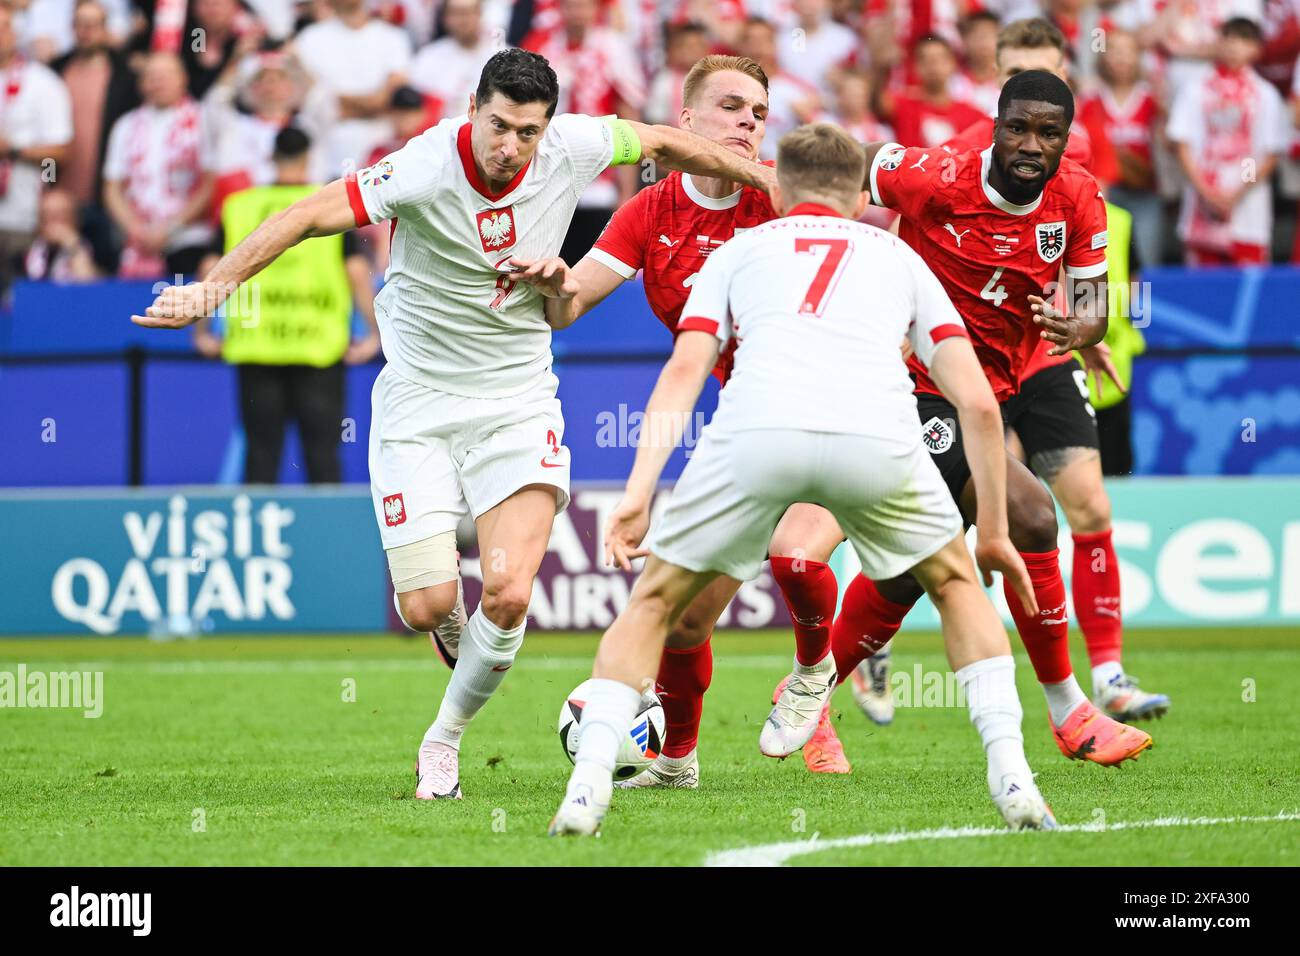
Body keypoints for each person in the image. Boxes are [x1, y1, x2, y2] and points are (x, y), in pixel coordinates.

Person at [132, 48, 778, 801]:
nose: (512, 148)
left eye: (528, 133)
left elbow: (665, 142)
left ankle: (443, 740)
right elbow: (308, 214)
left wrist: (765, 176)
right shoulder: (420, 166)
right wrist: (212, 292)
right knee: (429, 605)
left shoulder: (575, 144)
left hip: (516, 399)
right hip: (418, 403)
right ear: (474, 107)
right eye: (500, 127)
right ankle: (445, 624)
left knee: (507, 594)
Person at [549, 122, 1054, 838]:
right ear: (858, 197)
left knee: (655, 602)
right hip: (876, 435)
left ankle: (586, 789)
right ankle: (1013, 780)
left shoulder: (741, 250)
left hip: (759, 435)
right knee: (955, 586)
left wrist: (637, 494)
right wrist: (994, 533)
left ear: (777, 188)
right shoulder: (900, 256)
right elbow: (974, 400)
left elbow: (686, 370)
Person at [854, 17, 1168, 729]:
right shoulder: (949, 161)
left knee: (1082, 503)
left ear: (1063, 73)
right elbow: (848, 172)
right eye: (1019, 123)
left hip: (1043, 356)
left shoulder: (1076, 168)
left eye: (1049, 129)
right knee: (951, 527)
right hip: (949, 372)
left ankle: (1104, 679)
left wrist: (1082, 330)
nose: (1034, 143)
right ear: (997, 88)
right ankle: (840, 660)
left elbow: (1091, 292)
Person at [553, 54, 853, 783]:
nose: (748, 121)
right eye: (730, 107)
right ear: (684, 122)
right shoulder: (651, 212)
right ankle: (677, 760)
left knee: (799, 556)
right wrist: (544, 279)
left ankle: (814, 681)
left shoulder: (789, 198)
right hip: (746, 425)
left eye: (757, 111)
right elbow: (569, 304)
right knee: (684, 617)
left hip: (840, 409)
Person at [191, 127, 379, 484]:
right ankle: (327, 539)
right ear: (308, 157)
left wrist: (203, 332)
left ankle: (259, 539)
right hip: (318, 348)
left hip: (256, 347)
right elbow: (355, 269)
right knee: (323, 457)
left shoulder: (240, 206)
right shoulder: (326, 202)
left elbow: (208, 269)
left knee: (260, 458)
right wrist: (371, 333)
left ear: (271, 158)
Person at [1168, 16, 1287, 267]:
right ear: (1218, 42)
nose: (1234, 47)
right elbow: (1182, 144)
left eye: (1244, 41)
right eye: (1229, 39)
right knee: (1201, 293)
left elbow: (1271, 153)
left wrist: (1235, 193)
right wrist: (1207, 193)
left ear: (1257, 49)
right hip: (1200, 211)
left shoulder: (1266, 94)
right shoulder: (1195, 88)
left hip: (1249, 214)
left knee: (1249, 294)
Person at [102, 52, 213, 278]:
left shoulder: (204, 120)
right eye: (151, 76)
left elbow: (210, 184)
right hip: (136, 241)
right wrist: (136, 230)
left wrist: (171, 228)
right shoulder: (125, 125)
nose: (158, 82)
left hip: (190, 238)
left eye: (165, 75)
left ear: (183, 78)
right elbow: (112, 188)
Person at [0, 3, 72, 292]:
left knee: (18, 304)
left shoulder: (43, 82)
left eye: (3, 28)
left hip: (24, 217)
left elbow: (60, 152)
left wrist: (12, 150)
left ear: (15, 33)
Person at [870, 34, 986, 148]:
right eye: (926, 60)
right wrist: (881, 68)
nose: (933, 66)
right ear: (915, 66)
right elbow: (876, 103)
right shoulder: (902, 105)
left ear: (952, 63)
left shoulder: (972, 116)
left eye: (939, 59)